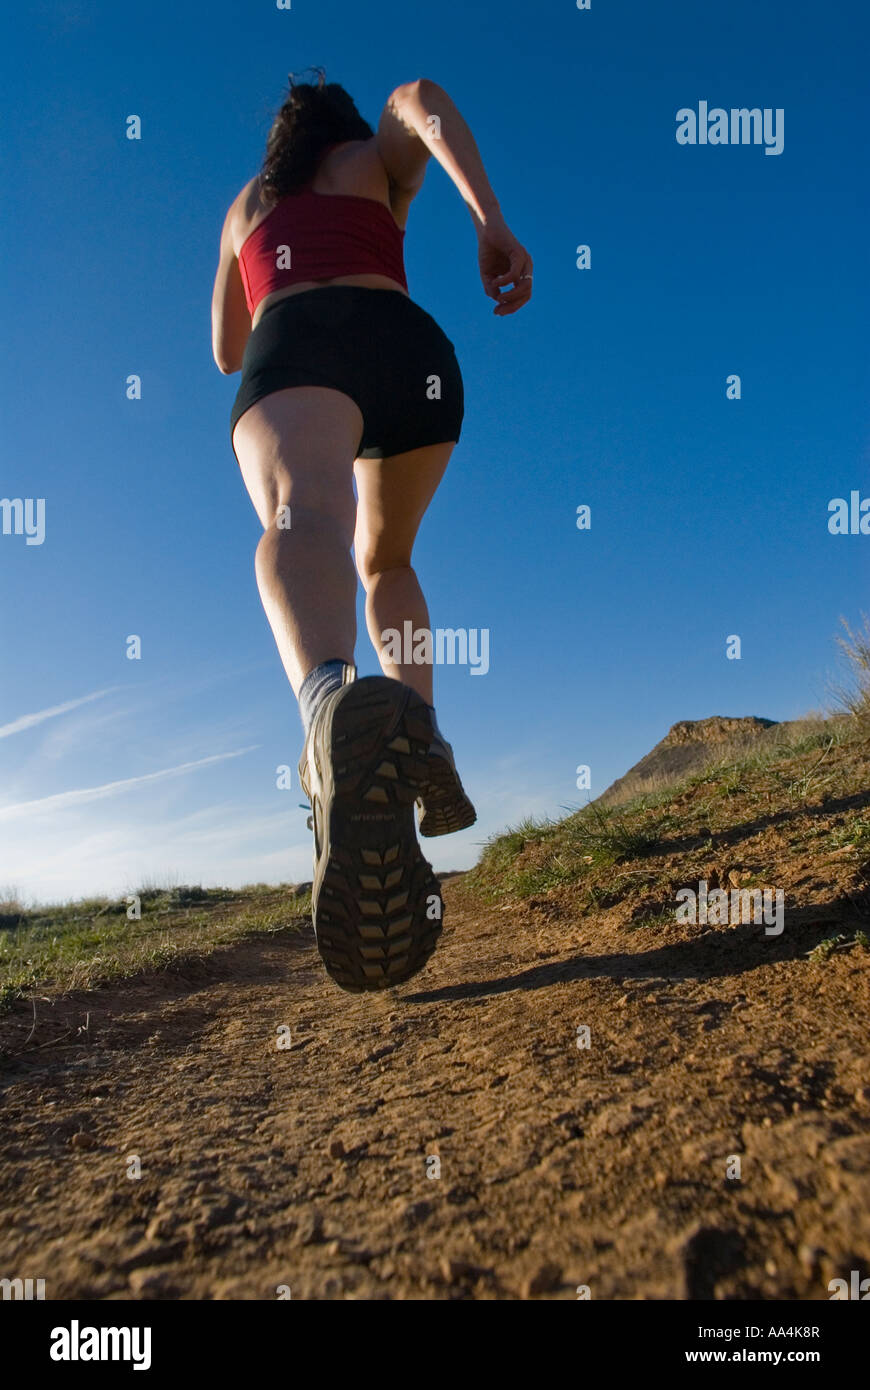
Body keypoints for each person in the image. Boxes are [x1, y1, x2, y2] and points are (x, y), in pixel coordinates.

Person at [211, 71, 532, 992]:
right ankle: (418, 734)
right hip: (412, 356)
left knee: (301, 512)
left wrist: (260, 254)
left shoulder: (247, 204)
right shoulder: (373, 160)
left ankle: (326, 712)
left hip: (299, 340)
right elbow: (421, 96)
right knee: (386, 557)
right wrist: (487, 222)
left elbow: (228, 350)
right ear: (345, 126)